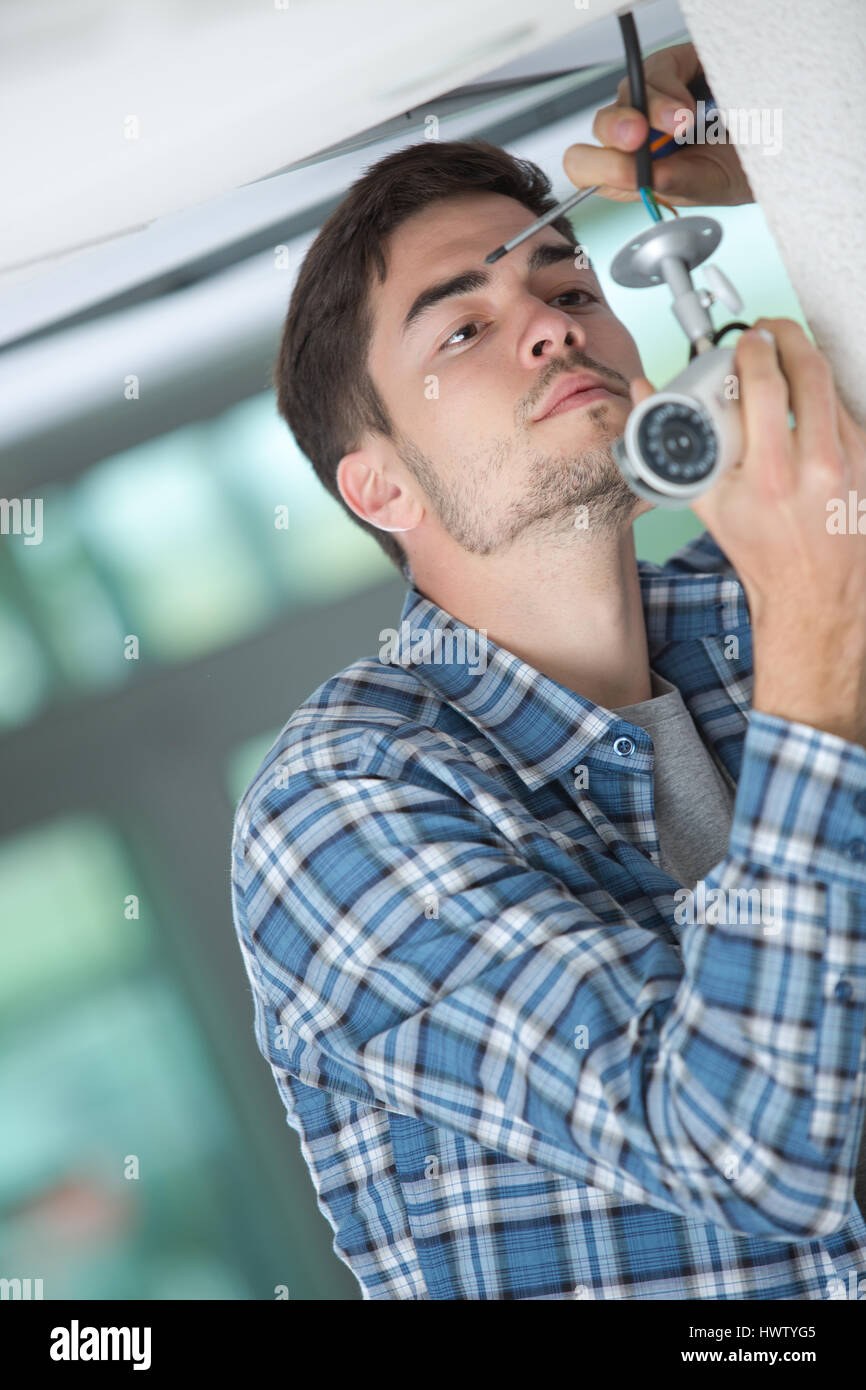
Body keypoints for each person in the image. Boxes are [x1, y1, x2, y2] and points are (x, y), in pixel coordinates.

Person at [229, 41, 866, 1299]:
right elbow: (746, 1157)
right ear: (380, 485)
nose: (547, 322)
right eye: (462, 326)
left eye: (563, 277)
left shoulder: (765, 593)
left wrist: (812, 142)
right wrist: (820, 649)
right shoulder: (338, 802)